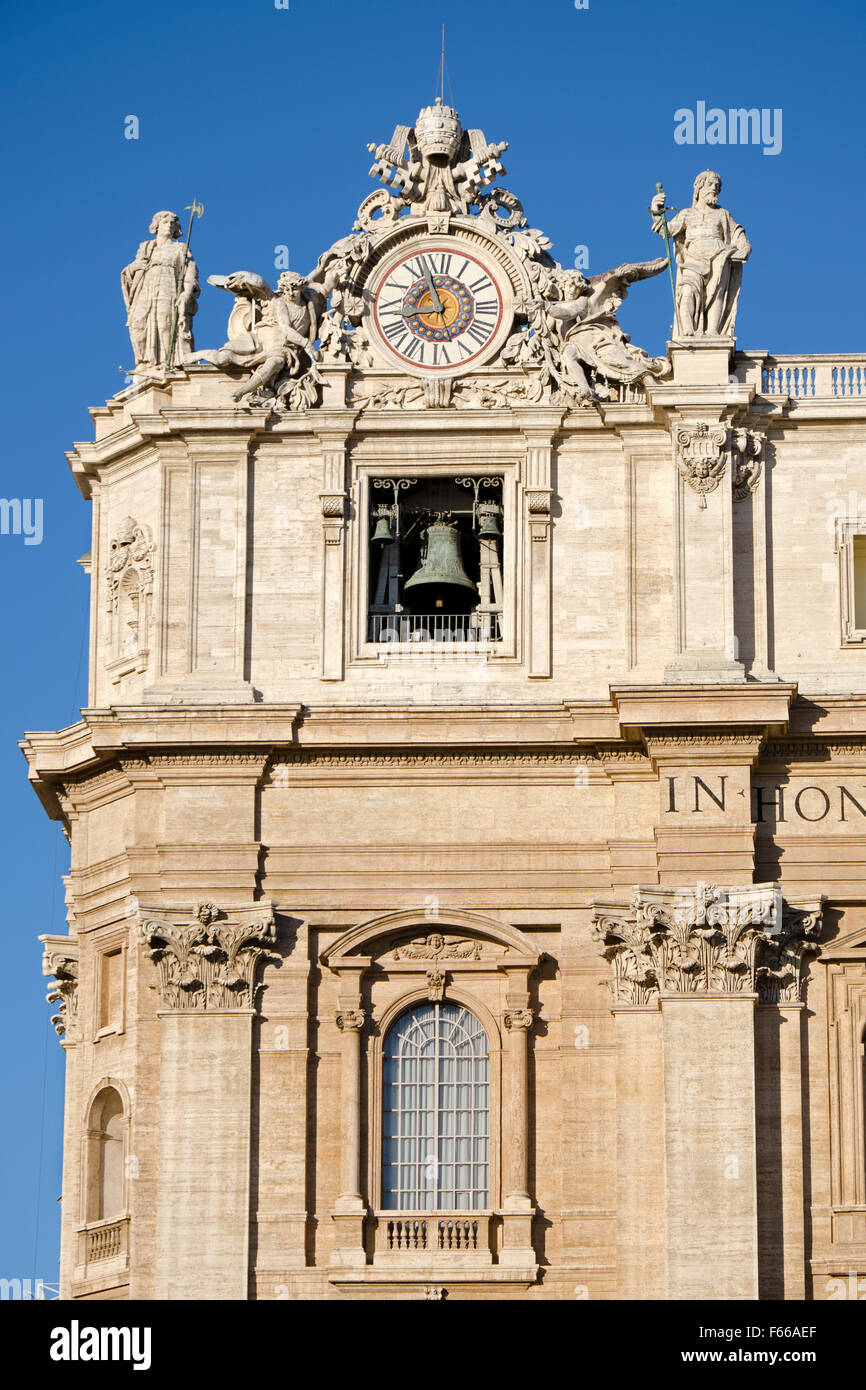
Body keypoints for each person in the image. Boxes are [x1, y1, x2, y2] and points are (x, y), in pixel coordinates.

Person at [651, 171, 751, 337]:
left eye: (717, 187)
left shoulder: (723, 214)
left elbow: (737, 233)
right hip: (693, 258)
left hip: (719, 256)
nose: (714, 189)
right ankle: (687, 332)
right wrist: (656, 210)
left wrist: (744, 246)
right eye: (710, 185)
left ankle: (713, 332)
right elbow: (665, 230)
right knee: (687, 292)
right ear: (699, 188)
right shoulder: (686, 214)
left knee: (716, 295)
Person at [121, 211, 199, 368]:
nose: (169, 226)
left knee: (165, 324)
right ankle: (144, 362)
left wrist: (186, 293)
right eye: (165, 223)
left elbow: (190, 273)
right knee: (138, 325)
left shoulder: (180, 248)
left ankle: (165, 362)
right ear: (156, 226)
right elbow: (129, 273)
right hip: (145, 288)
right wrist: (133, 268)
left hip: (167, 286)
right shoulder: (146, 248)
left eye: (172, 224)